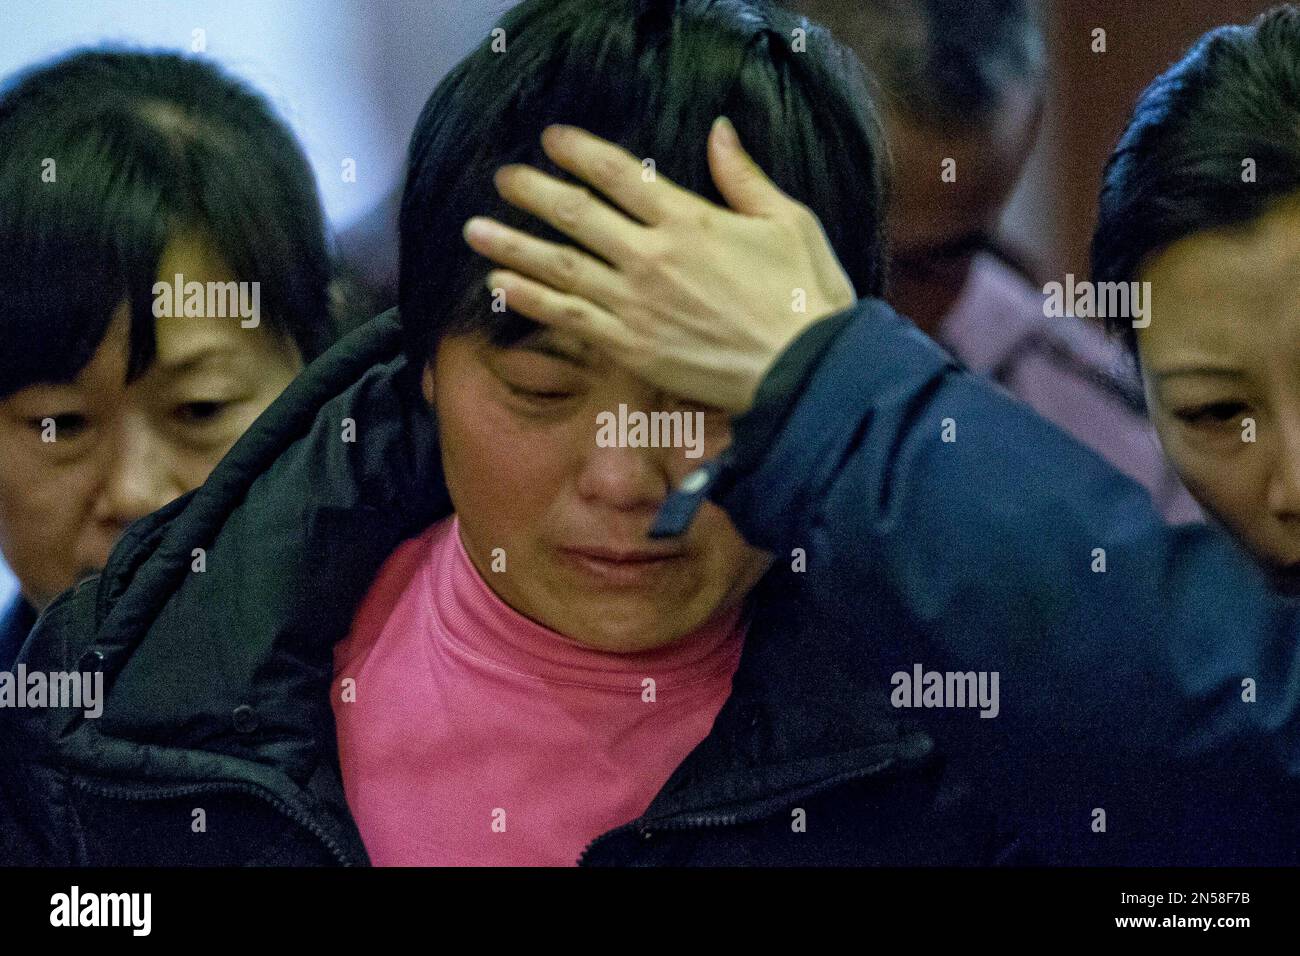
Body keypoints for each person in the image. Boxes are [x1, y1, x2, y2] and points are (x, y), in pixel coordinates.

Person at [0, 0, 1293, 868]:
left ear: (818, 368)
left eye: (707, 391)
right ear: (419, 366)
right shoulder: (127, 723)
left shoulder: (990, 740)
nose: (624, 478)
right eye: (543, 390)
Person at [783, 0, 1198, 520]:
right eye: (826, 242)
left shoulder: (1115, 447)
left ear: (1029, 130)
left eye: (937, 260)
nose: (869, 315)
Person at [0, 50, 340, 668]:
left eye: (200, 410)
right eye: (63, 424)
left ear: (324, 383)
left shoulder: (428, 710)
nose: (135, 495)